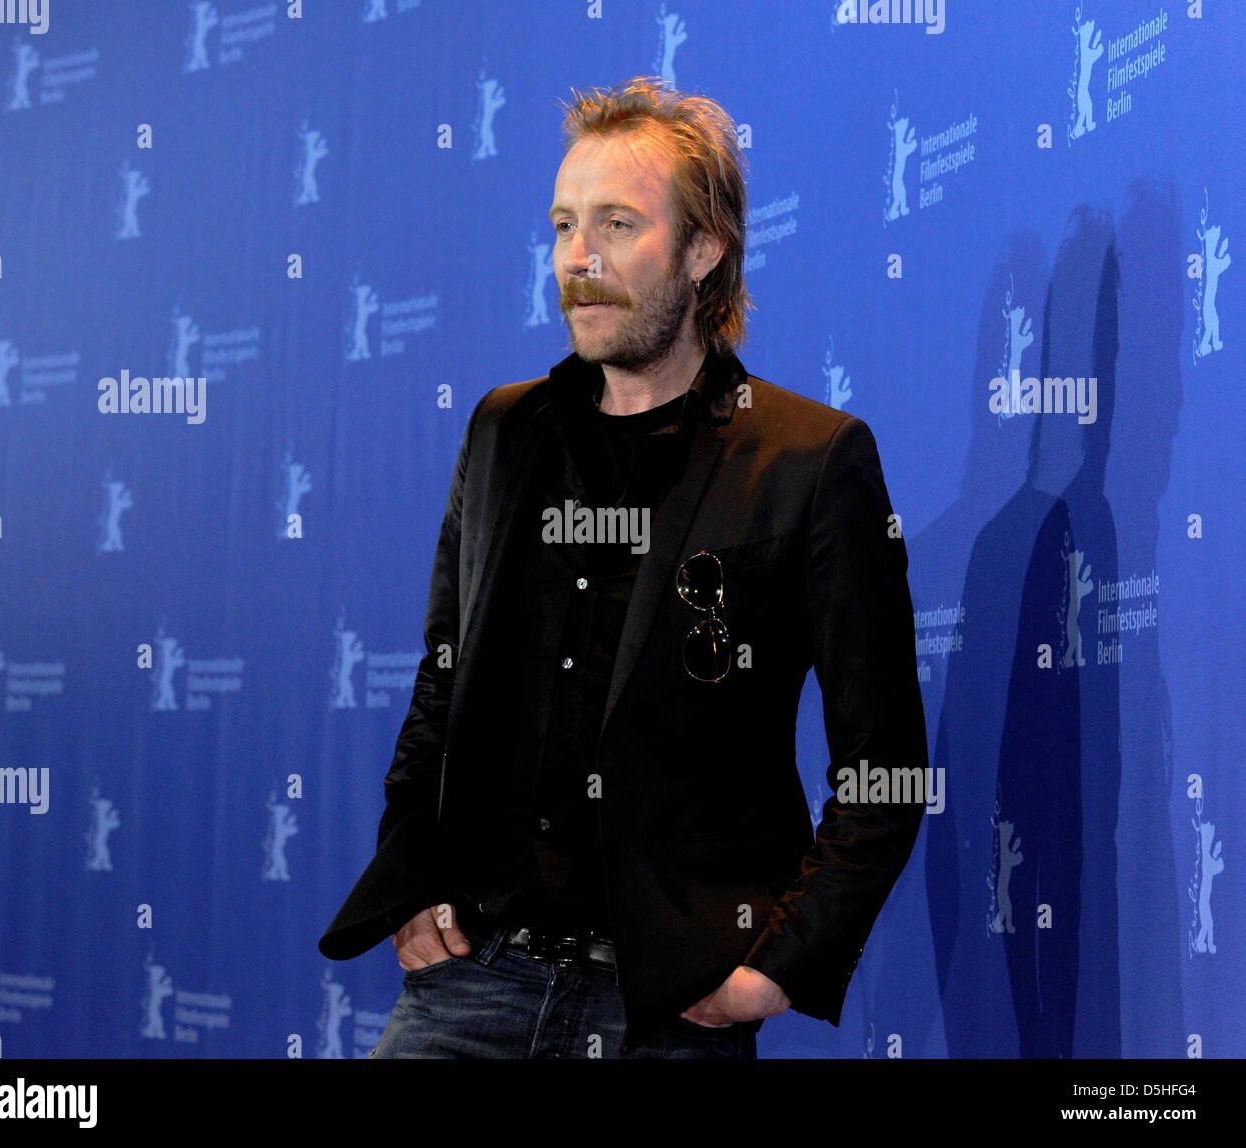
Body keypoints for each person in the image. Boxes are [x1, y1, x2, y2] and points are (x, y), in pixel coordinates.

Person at [319, 75, 928, 1060]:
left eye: (614, 224)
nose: (578, 260)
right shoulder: (503, 432)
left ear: (702, 250)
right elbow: (442, 688)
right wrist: (412, 873)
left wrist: (776, 963)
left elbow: (884, 761)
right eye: (563, 226)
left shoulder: (807, 459)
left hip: (664, 1007)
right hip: (469, 978)